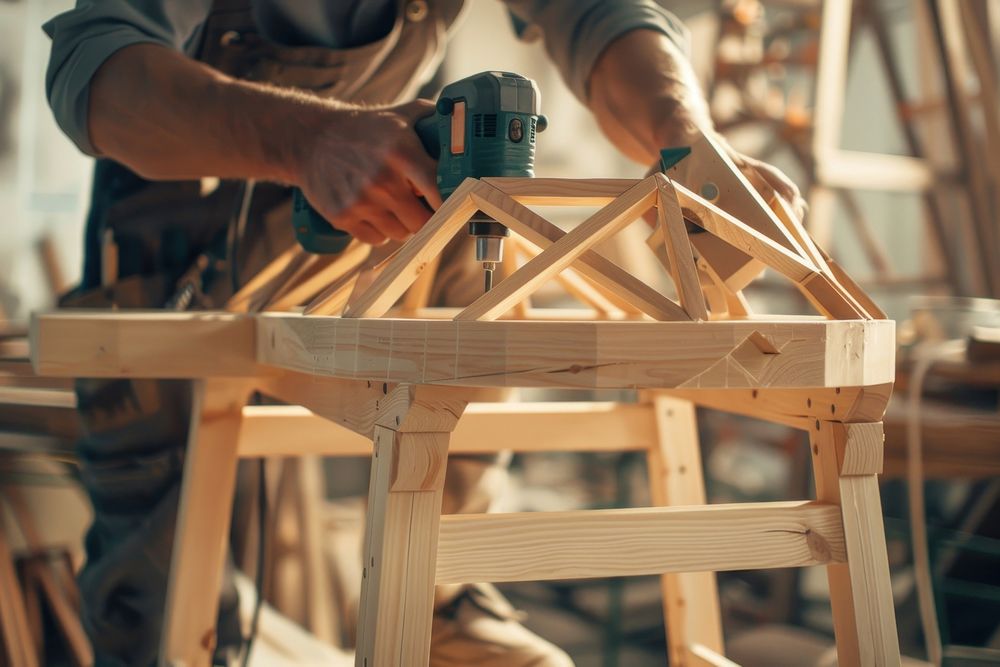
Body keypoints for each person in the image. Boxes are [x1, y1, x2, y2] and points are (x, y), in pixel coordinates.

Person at [44, 1, 804, 665]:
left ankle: (445, 601)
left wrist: (688, 137)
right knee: (159, 598)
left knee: (476, 293)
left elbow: (597, 12)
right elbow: (96, 69)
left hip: (393, 217)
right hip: (183, 241)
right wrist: (305, 140)